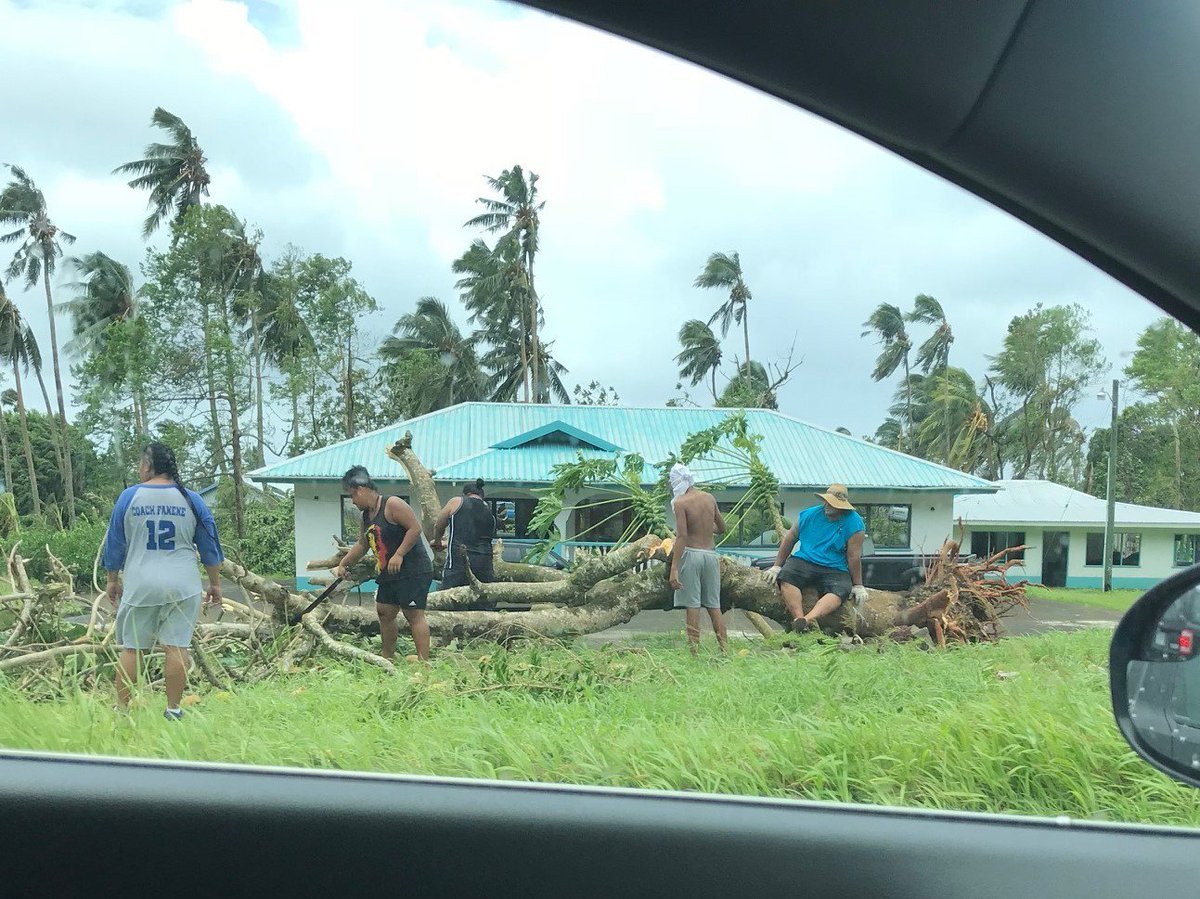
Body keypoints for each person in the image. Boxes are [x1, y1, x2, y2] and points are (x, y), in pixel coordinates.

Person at [102, 442, 224, 719]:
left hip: (141, 583)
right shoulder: (191, 498)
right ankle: (173, 709)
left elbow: (115, 544)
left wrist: (112, 579)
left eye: (139, 463)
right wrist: (215, 584)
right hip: (183, 585)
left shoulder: (129, 497)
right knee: (176, 646)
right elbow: (210, 547)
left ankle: (121, 710)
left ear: (147, 465)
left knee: (133, 648)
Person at [334, 466, 432, 661]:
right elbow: (363, 544)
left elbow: (415, 528)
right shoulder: (366, 516)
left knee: (413, 614)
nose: (352, 501)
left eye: (352, 496)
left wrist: (399, 554)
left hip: (413, 569)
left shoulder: (392, 504)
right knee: (385, 612)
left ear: (361, 489)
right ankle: (388, 657)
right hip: (389, 572)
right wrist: (343, 564)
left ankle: (424, 663)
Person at [763, 483, 869, 633]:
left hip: (835, 567)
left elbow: (853, 556)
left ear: (842, 506)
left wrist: (858, 585)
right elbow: (790, 538)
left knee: (841, 590)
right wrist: (777, 566)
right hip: (804, 560)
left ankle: (807, 620)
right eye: (826, 500)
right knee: (786, 577)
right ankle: (798, 618)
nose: (826, 505)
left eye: (832, 503)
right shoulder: (808, 515)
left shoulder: (855, 523)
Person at [667, 463, 728, 655]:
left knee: (692, 605)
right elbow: (722, 527)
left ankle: (694, 654)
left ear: (676, 482)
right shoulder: (709, 498)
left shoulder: (680, 503)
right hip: (711, 556)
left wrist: (674, 568)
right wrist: (704, 530)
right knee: (714, 605)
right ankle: (725, 651)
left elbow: (682, 536)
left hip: (692, 555)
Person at [432, 479, 497, 588]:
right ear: (481, 496)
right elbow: (475, 539)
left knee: (451, 599)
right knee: (481, 601)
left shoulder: (457, 502)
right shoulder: (491, 515)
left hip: (458, 564)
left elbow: (439, 525)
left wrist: (437, 541)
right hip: (484, 566)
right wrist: (446, 543)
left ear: (465, 494)